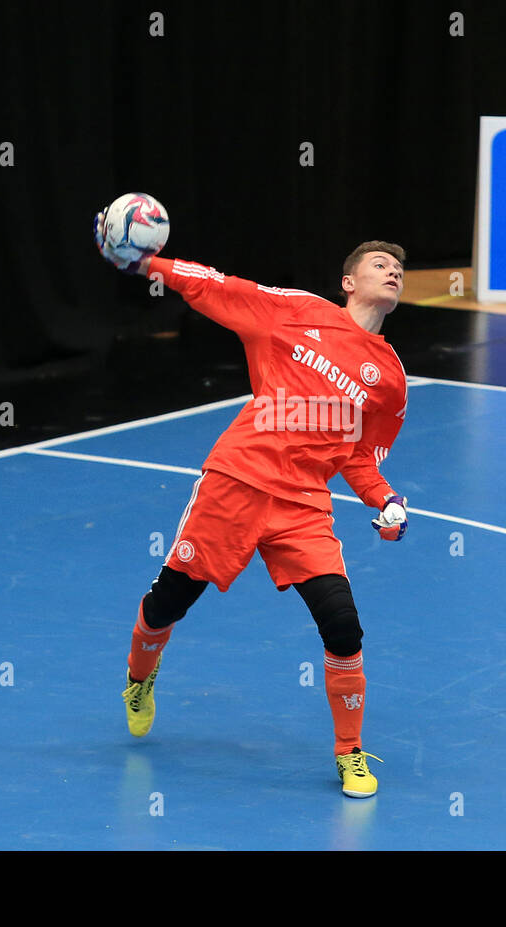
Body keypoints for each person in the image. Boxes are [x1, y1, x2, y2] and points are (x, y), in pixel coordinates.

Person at [94, 209, 410, 797]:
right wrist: (148, 264)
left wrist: (385, 499)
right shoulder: (297, 312)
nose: (392, 271)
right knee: (168, 603)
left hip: (303, 506)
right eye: (379, 263)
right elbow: (219, 286)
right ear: (348, 281)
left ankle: (349, 751)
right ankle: (139, 677)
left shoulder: (388, 377)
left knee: (343, 626)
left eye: (398, 268)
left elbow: (357, 455)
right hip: (237, 479)